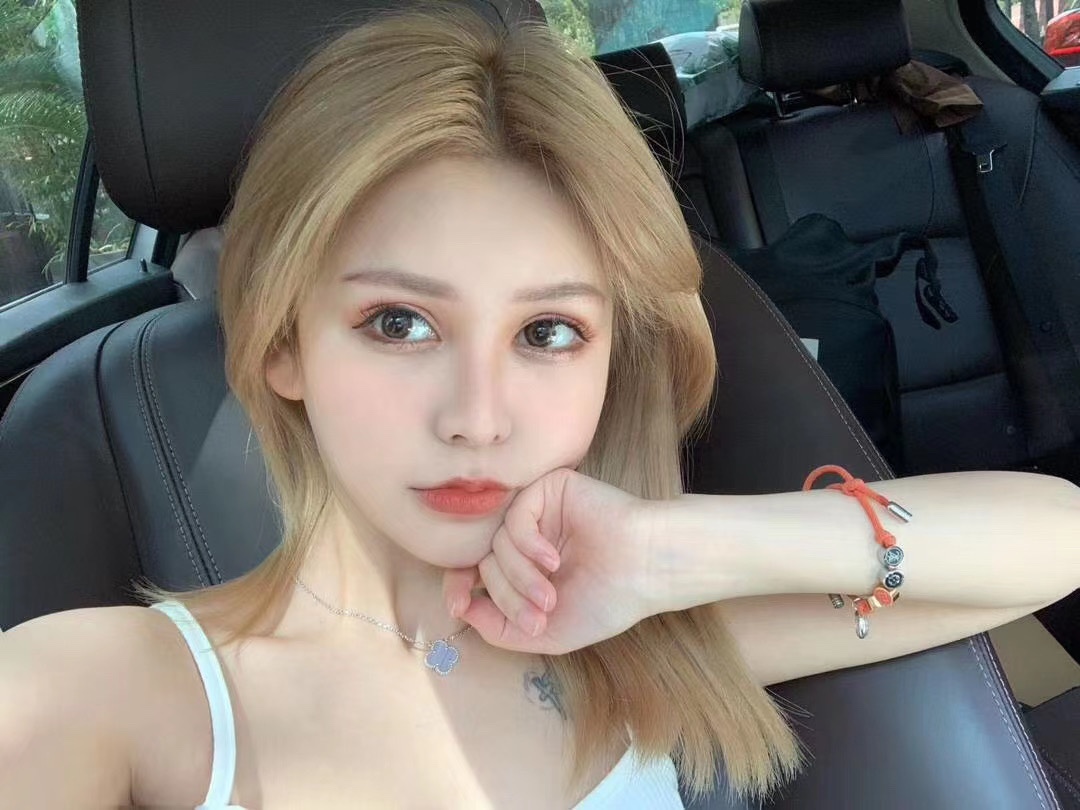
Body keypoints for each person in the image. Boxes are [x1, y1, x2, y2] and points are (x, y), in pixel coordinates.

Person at [2, 4, 1079, 808]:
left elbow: (1057, 538)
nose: (479, 418)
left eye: (549, 333)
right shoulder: (95, 691)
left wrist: (677, 548)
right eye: (399, 323)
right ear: (282, 341)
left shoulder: (625, 632)